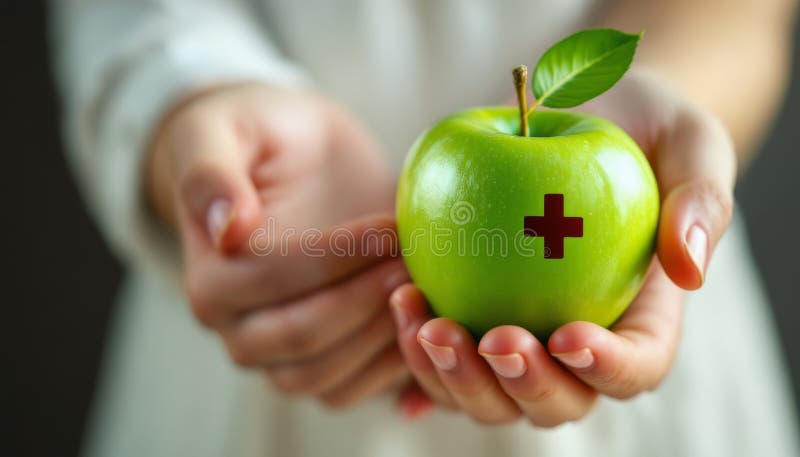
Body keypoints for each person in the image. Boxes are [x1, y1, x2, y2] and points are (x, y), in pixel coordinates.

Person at [51, 0, 800, 456]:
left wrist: (669, 90)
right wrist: (191, 95)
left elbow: (738, 9)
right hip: (275, 286)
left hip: (639, 299)